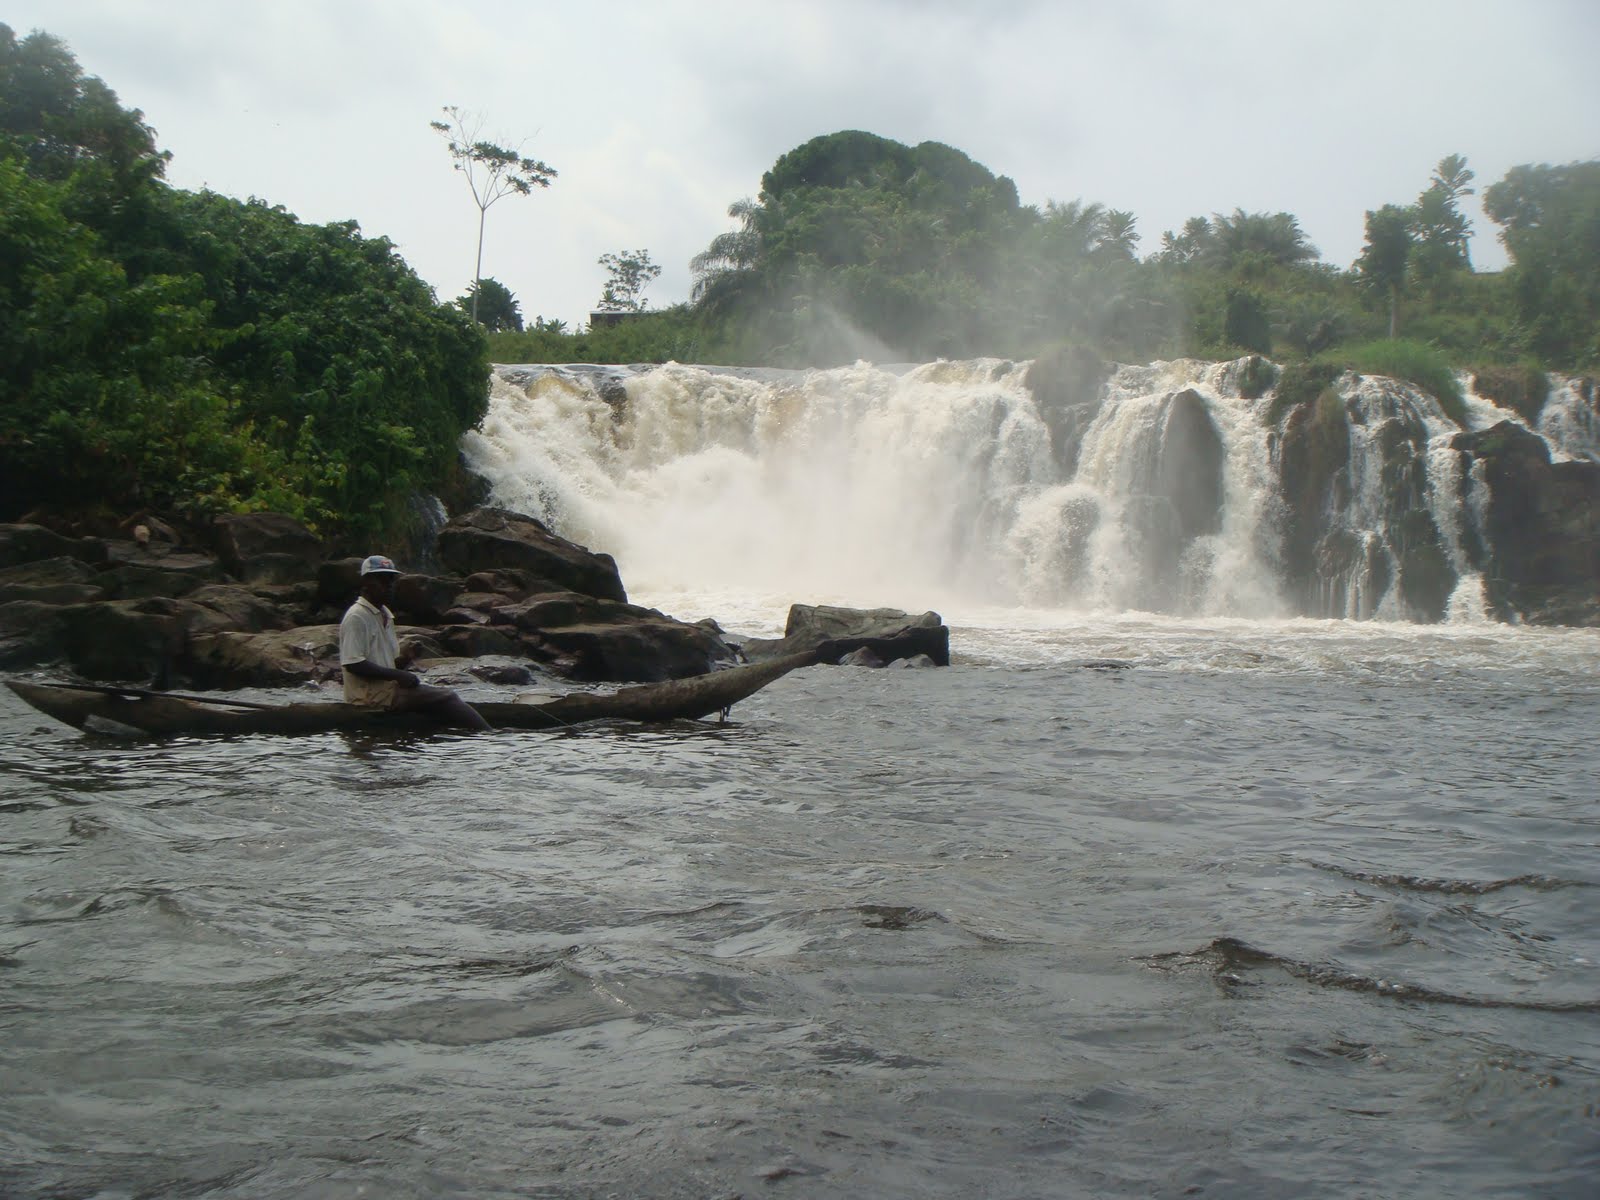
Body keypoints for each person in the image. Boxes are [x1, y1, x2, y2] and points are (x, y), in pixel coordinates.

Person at [339, 555, 492, 732]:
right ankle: (488, 736)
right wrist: (399, 675)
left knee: (435, 707)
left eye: (390, 580)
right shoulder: (357, 616)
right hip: (368, 697)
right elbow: (353, 664)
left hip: (384, 691)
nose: (388, 586)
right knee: (448, 697)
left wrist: (404, 660)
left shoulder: (385, 615)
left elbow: (381, 665)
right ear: (366, 582)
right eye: (382, 580)